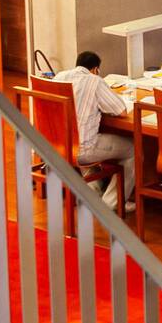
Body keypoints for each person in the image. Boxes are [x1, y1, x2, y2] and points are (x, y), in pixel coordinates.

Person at [54, 50, 135, 211]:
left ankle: (91, 196)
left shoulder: (59, 77)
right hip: (82, 149)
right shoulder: (94, 81)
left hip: (58, 145)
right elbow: (121, 110)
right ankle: (112, 202)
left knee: (84, 136)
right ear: (95, 69)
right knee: (133, 149)